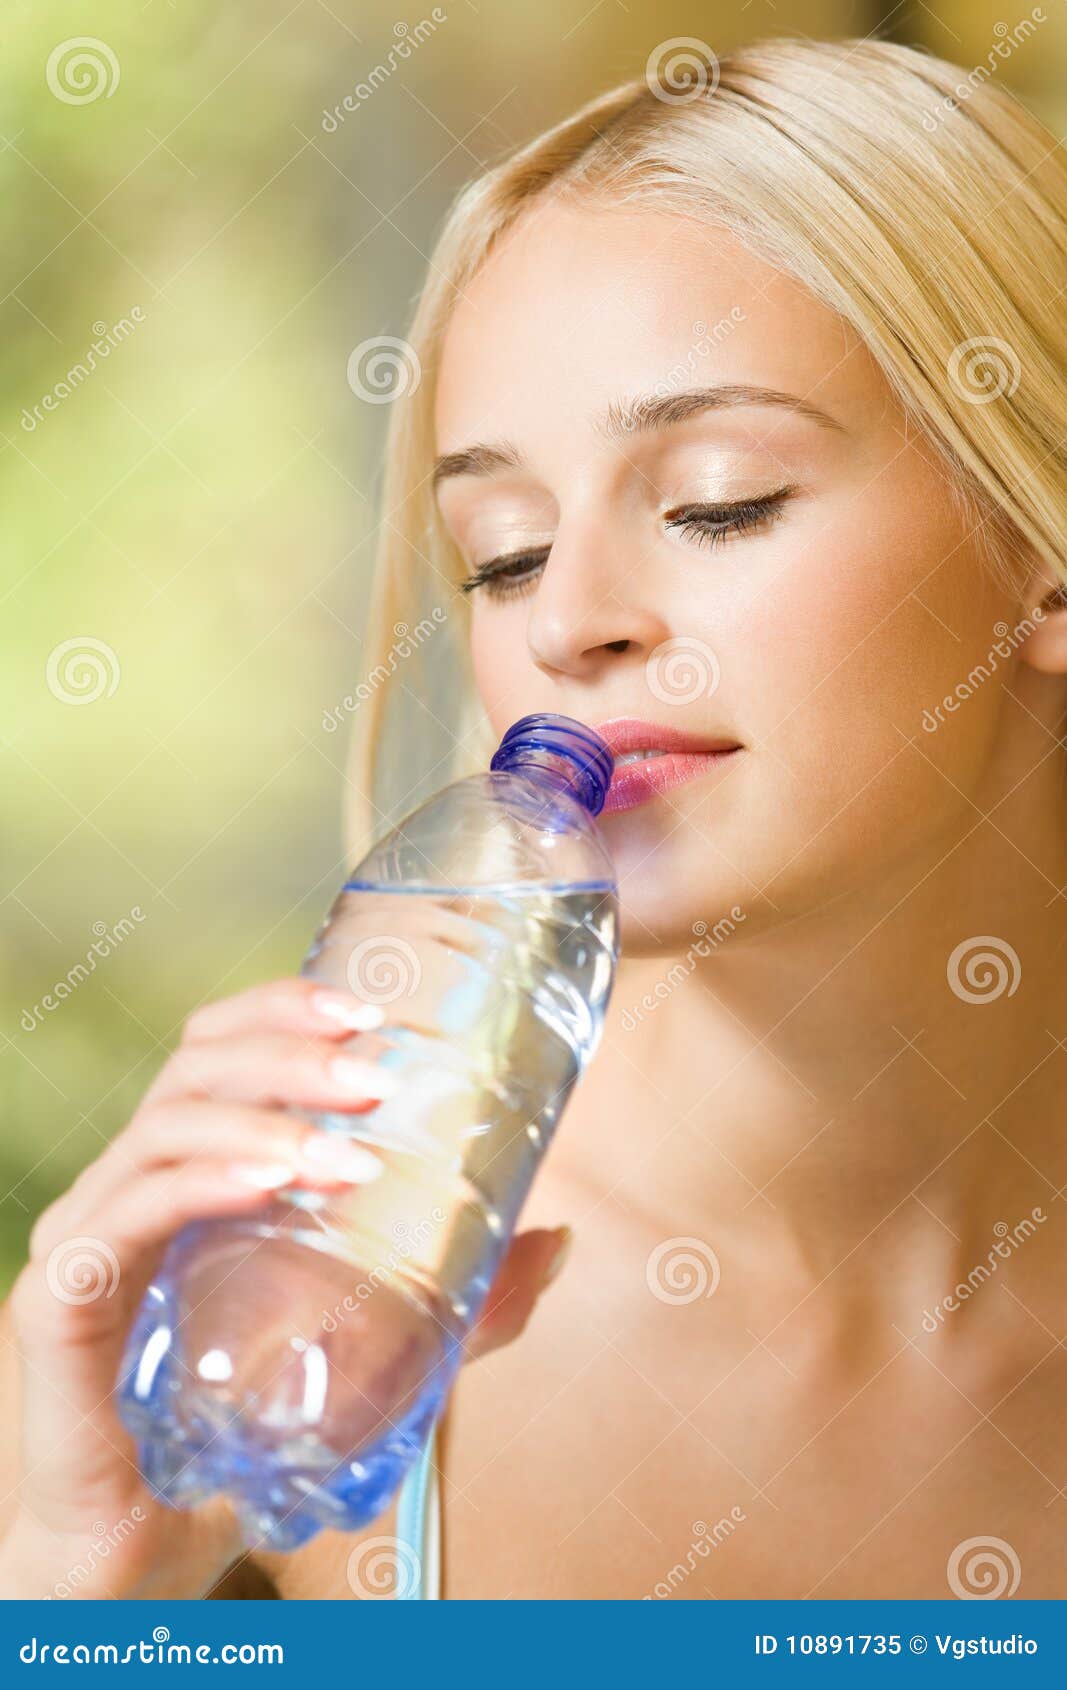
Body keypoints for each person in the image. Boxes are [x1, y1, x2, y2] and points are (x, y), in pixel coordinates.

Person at [3, 34, 1066, 1599]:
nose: (567, 621)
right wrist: (74, 1595)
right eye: (499, 551)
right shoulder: (343, 1321)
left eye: (718, 499)